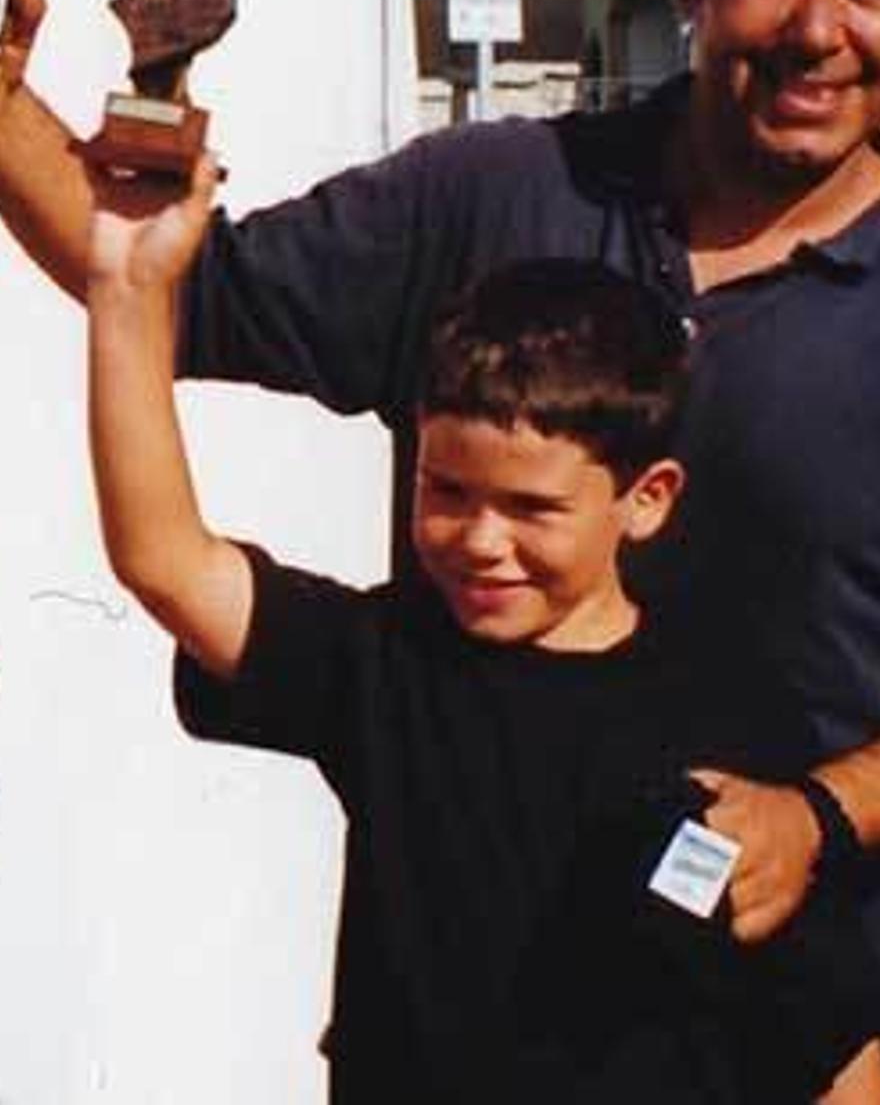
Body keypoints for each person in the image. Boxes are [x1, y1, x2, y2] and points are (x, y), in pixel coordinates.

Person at [2, 0, 880, 951]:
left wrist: (820, 817)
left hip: (798, 1017)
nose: (819, 31)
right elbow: (173, 289)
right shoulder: (490, 191)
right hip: (453, 1011)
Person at [84, 172, 880, 1102]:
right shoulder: (387, 665)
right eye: (446, 492)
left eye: (533, 508)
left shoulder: (738, 719)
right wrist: (127, 292)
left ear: (646, 499)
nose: (481, 542)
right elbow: (165, 560)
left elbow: (835, 1046)